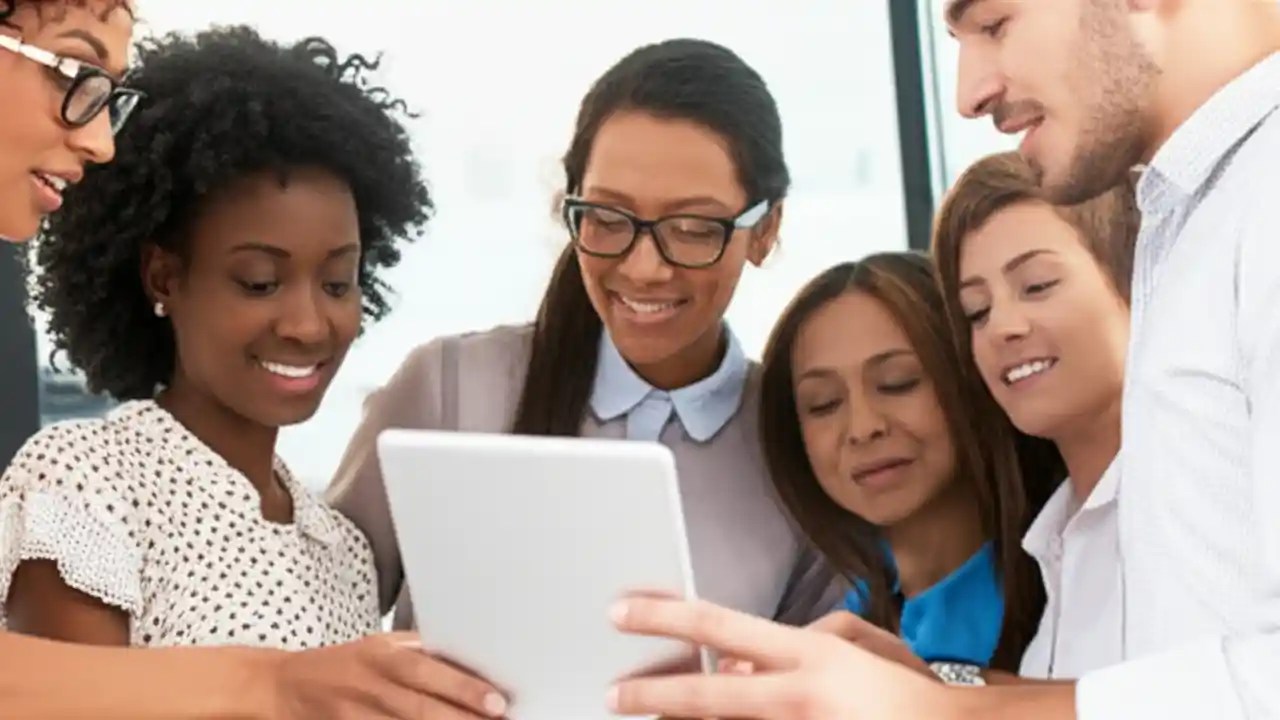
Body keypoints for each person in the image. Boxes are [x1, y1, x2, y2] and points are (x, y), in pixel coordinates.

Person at [606, 0, 1280, 718]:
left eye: (994, 23)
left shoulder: (1258, 207)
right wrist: (936, 687)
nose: (968, 94)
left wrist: (946, 710)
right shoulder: (1199, 221)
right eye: (976, 311)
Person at [0, 1, 500, 717]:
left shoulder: (343, 550)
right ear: (163, 278)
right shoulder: (86, 481)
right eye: (260, 282)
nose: (307, 323)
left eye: (338, 282)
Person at [329, 37, 842, 633]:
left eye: (694, 228)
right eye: (606, 218)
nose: (644, 268)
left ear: (766, 229)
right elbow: (314, 619)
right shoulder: (449, 389)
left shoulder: (799, 446)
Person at [754, 252, 1056, 678]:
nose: (863, 428)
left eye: (898, 383)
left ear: (972, 377)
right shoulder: (831, 625)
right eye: (823, 404)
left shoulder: (1070, 586)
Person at [932, 151, 1137, 679]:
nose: (1003, 327)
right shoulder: (1055, 535)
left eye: (1037, 285)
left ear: (1138, 282)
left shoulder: (1203, 507)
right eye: (977, 312)